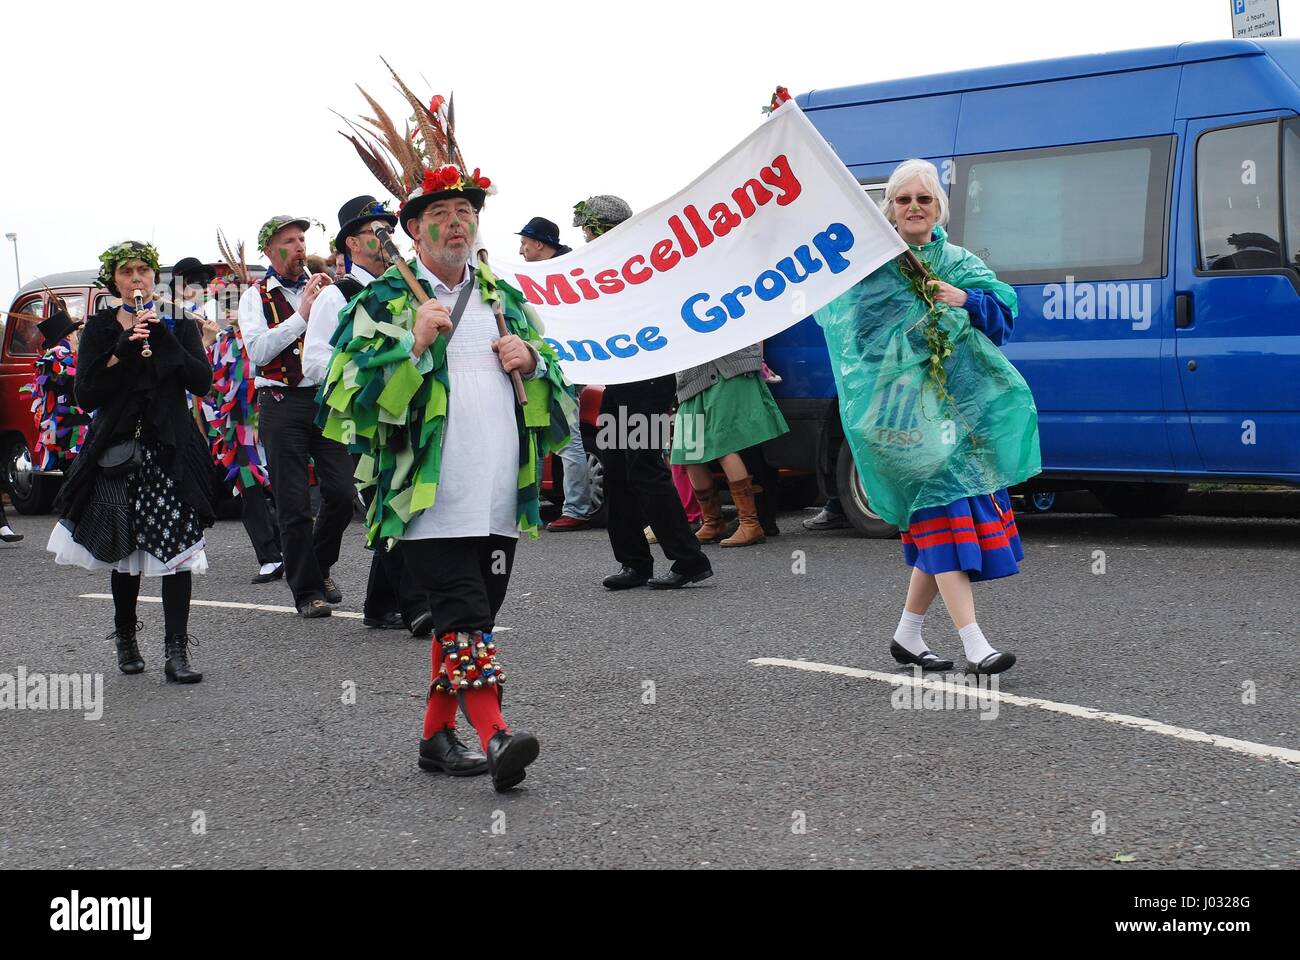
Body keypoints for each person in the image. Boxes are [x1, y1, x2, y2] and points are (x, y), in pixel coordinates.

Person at [321, 80, 575, 790]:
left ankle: (436, 740)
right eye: (442, 211)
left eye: (466, 210)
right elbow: (347, 401)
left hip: (498, 490)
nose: (457, 222)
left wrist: (535, 360)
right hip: (427, 495)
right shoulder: (382, 301)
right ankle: (497, 736)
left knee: (472, 621)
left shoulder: (503, 297)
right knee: (463, 615)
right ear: (415, 227)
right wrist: (410, 347)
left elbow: (554, 378)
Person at [815, 159, 1041, 676]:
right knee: (945, 516)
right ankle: (975, 644)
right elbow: (858, 343)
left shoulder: (957, 261)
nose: (914, 208)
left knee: (941, 521)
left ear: (939, 208)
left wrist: (964, 300)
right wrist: (912, 333)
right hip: (903, 422)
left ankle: (908, 634)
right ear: (889, 210)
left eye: (924, 200)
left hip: (960, 420)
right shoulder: (873, 269)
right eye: (903, 200)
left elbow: (1004, 311)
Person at [47, 240, 213, 682]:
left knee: (177, 550)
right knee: (126, 549)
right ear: (114, 281)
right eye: (127, 272)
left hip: (169, 451)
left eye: (143, 270)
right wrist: (120, 350)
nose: (136, 279)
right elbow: (86, 394)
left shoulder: (177, 320)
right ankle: (126, 638)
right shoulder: (101, 326)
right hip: (119, 452)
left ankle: (177, 652)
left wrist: (165, 341)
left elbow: (203, 383)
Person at [573, 196, 713, 590]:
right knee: (617, 470)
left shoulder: (642, 266)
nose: (584, 237)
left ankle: (688, 559)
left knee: (644, 469)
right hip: (622, 380)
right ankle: (634, 561)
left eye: (587, 229)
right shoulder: (609, 268)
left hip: (647, 379)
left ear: (600, 228)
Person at [304, 194, 422, 631]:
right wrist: (364, 368)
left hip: (404, 407)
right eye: (377, 232)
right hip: (361, 416)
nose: (386, 239)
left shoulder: (401, 287)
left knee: (402, 498)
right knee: (386, 498)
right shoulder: (337, 295)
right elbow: (314, 361)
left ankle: (380, 604)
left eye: (389, 231)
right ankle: (414, 604)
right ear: (352, 243)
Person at [239, 215, 357, 619]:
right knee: (292, 503)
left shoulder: (327, 288)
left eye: (302, 239)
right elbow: (257, 351)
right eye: (289, 240)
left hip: (324, 399)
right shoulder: (255, 296)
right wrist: (302, 314)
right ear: (270, 251)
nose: (299, 247)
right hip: (280, 403)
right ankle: (306, 591)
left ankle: (319, 564)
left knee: (342, 494)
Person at [515, 216, 598, 533]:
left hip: (564, 368)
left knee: (566, 439)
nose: (520, 250)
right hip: (541, 364)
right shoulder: (547, 273)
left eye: (524, 243)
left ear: (538, 244)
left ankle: (576, 508)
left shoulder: (568, 274)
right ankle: (530, 506)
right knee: (536, 435)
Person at [671, 344, 789, 547]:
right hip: (691, 375)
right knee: (688, 450)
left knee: (723, 445)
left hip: (726, 368)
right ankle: (713, 522)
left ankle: (750, 523)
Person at [21, 305, 91, 476]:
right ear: (67, 336)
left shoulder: (49, 361)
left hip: (59, 432)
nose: (77, 339)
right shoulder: (61, 361)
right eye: (75, 334)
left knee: (71, 480)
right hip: (71, 433)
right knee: (75, 482)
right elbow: (77, 389)